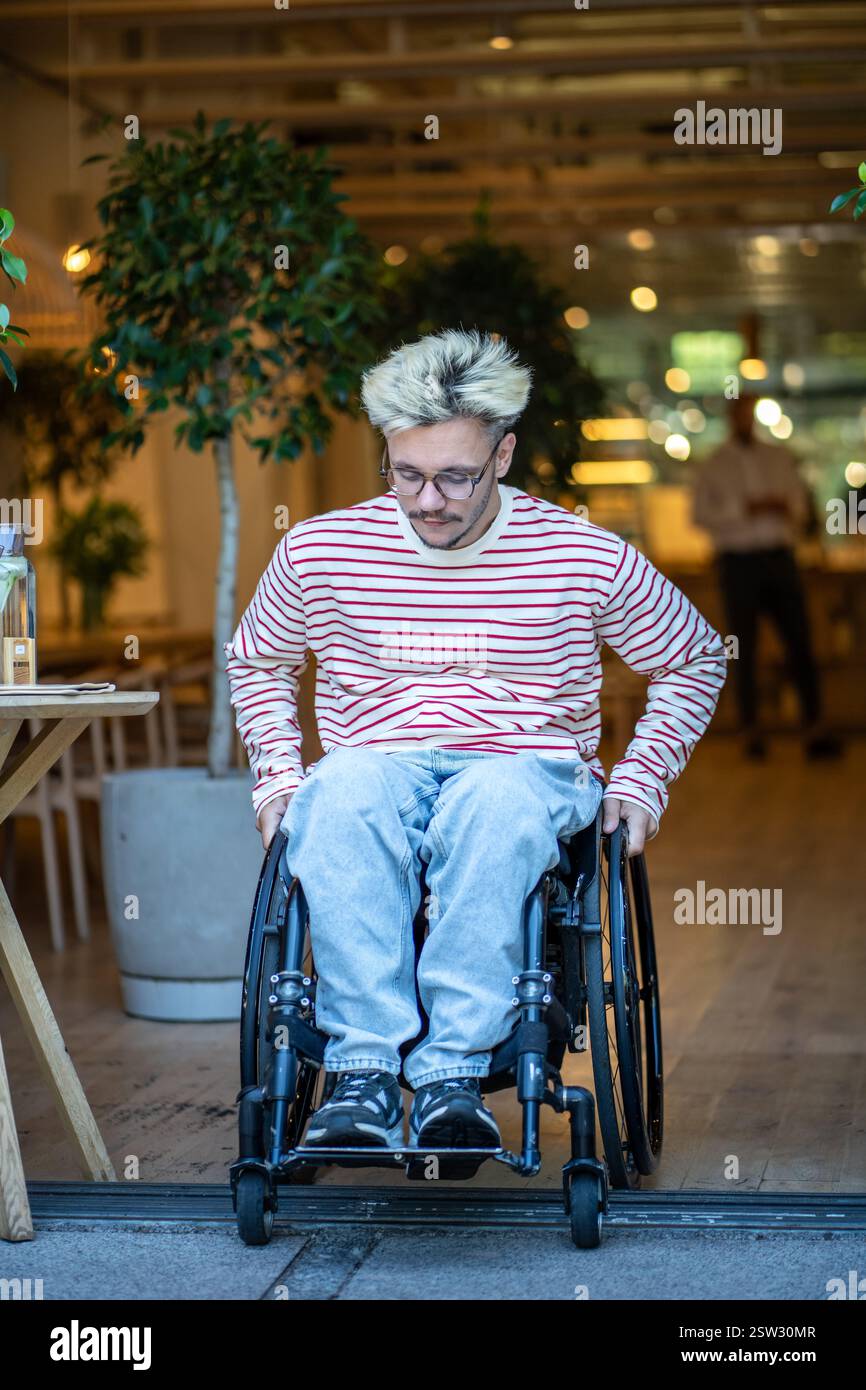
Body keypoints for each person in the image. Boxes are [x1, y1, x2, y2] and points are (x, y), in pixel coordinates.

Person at [224, 328, 727, 1153]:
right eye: (407, 474)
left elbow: (695, 658)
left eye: (455, 476)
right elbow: (259, 660)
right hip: (375, 761)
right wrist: (278, 776)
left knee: (493, 800)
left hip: (526, 764)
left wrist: (641, 782)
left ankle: (451, 1071)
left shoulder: (580, 555)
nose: (427, 501)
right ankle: (365, 1074)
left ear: (503, 455)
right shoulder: (320, 550)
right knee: (338, 794)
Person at [692, 393, 840, 759]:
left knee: (800, 642)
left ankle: (814, 727)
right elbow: (699, 516)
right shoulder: (715, 463)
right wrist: (745, 508)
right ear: (730, 416)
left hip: (779, 558)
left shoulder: (777, 456)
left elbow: (800, 505)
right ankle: (751, 732)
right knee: (743, 647)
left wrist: (782, 506)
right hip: (738, 563)